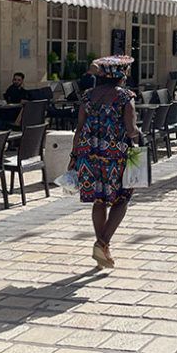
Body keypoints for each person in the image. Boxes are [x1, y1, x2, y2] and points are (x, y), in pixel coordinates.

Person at [69, 56, 139, 269]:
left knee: (99, 200)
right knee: (123, 198)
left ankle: (103, 250)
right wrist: (139, 131)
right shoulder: (125, 96)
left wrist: (73, 156)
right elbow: (131, 130)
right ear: (120, 75)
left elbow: (80, 128)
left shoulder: (88, 96)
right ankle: (102, 243)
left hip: (88, 154)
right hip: (116, 155)